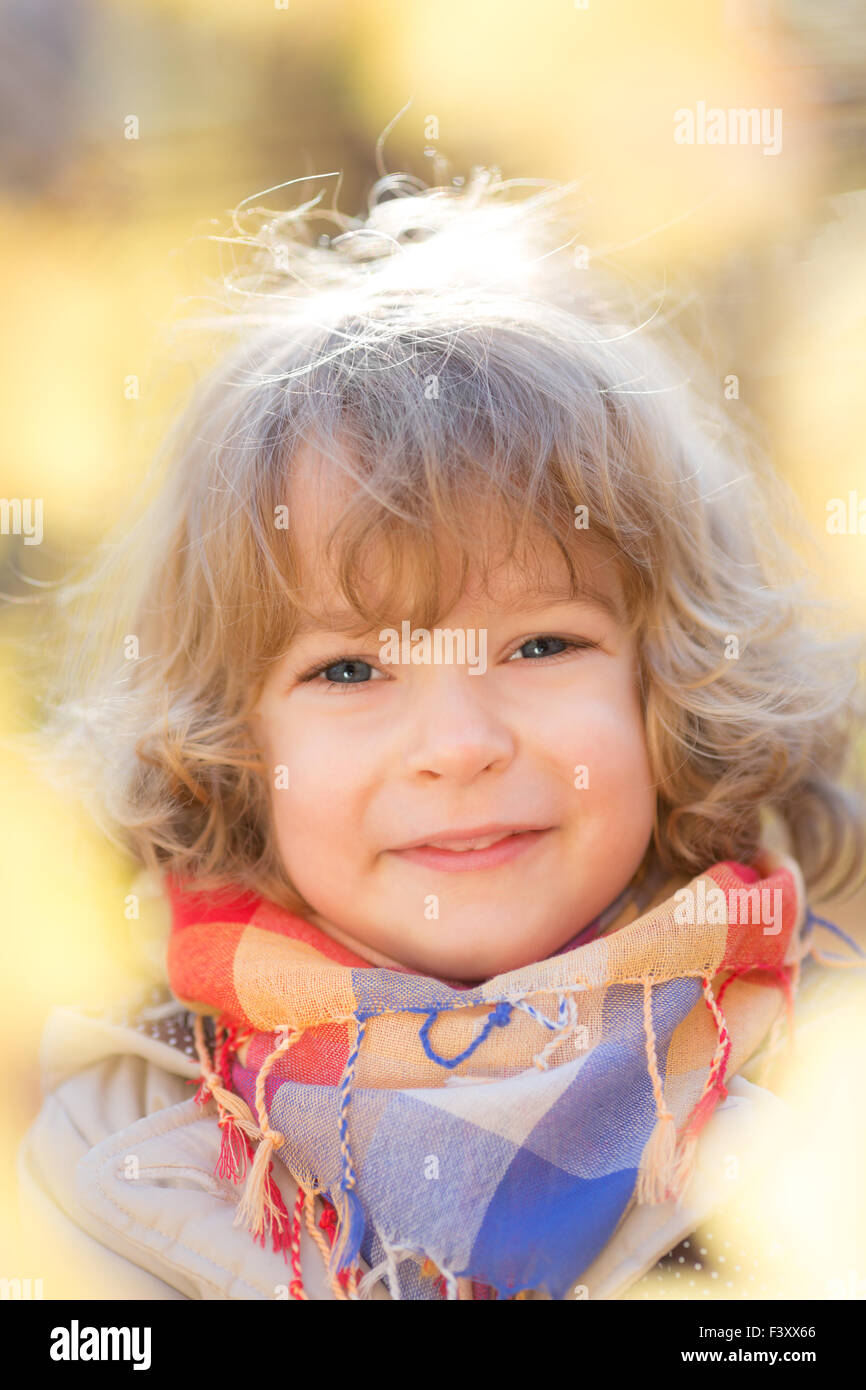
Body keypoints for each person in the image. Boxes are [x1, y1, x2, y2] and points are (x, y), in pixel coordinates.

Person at [17, 167, 866, 1300]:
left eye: (538, 647)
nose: (457, 744)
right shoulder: (111, 1149)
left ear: (669, 680)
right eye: (352, 668)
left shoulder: (817, 1097)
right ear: (228, 746)